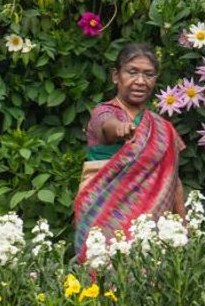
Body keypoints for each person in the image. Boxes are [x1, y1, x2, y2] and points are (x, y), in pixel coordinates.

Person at [74, 43, 186, 260]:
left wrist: (183, 226)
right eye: (132, 72)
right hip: (101, 215)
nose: (141, 81)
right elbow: (108, 127)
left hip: (148, 224)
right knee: (100, 274)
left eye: (148, 74)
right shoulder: (103, 112)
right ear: (116, 76)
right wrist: (121, 129)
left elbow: (173, 180)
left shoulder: (162, 128)